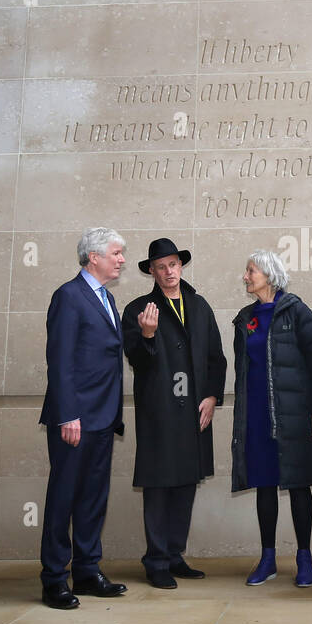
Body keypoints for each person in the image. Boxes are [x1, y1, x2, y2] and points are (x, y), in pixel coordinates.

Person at [121, 238, 227, 589]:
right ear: (151, 271)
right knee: (158, 484)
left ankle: (174, 554)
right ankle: (156, 560)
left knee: (185, 483)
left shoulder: (199, 306)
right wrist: (147, 336)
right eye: (161, 266)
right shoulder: (139, 308)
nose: (168, 271)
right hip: (160, 410)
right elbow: (137, 360)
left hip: (196, 409)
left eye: (173, 264)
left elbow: (216, 357)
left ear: (181, 266)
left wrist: (212, 395)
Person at [37, 227, 129, 609]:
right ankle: (55, 579)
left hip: (103, 418)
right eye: (117, 253)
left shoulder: (108, 299)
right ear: (94, 257)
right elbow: (59, 361)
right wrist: (68, 414)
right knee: (64, 498)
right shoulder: (69, 296)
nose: (122, 259)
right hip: (74, 420)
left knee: (93, 498)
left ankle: (88, 571)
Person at [229, 249, 312, 587]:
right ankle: (268, 558)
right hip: (256, 417)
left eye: (250, 270)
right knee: (265, 485)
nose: (245, 276)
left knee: (299, 484)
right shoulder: (245, 319)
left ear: (268, 275)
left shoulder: (296, 311)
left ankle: (304, 558)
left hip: (294, 416)